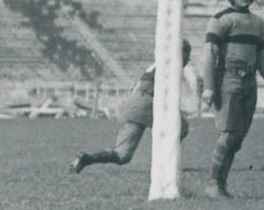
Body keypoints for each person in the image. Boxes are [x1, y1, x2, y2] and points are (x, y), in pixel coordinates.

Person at [203, 0, 264, 199]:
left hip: (249, 82)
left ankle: (221, 184)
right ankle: (212, 183)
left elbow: (263, 55)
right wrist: (208, 86)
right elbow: (209, 54)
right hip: (227, 79)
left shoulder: (258, 23)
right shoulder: (220, 20)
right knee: (229, 134)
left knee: (238, 138)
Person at [71, 42, 201, 173]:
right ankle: (165, 165)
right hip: (144, 101)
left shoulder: (159, 64)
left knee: (122, 156)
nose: (188, 59)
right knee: (181, 126)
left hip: (131, 105)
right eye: (187, 54)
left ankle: (86, 158)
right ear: (179, 53)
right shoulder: (171, 63)